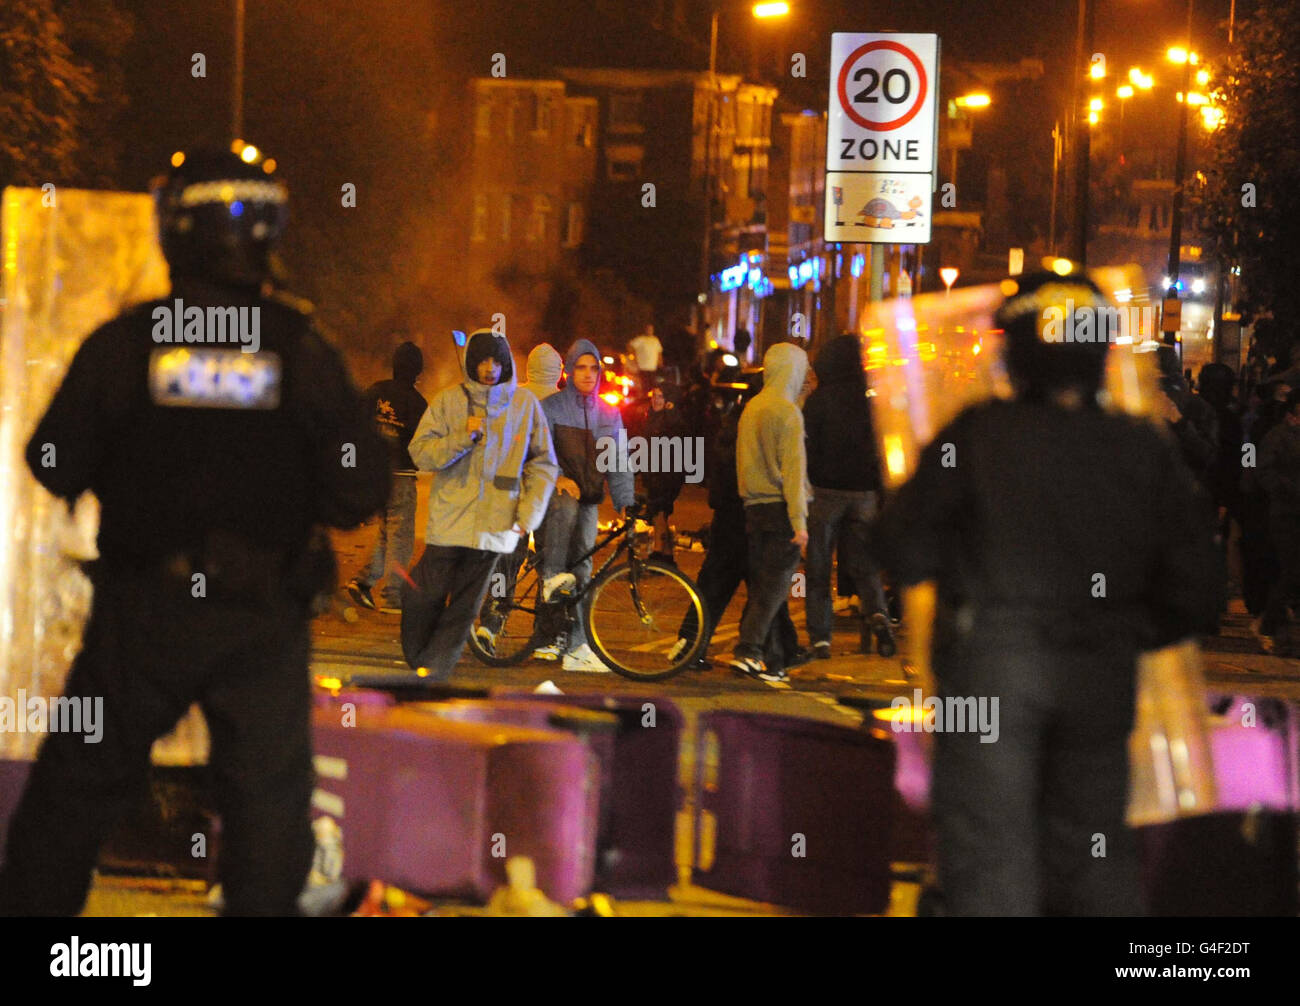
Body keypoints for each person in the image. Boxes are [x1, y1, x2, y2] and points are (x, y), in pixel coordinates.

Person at [0, 146, 391, 917]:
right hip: (263, 619)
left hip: (143, 614)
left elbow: (49, 459)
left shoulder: (127, 344)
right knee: (268, 805)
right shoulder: (301, 350)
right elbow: (359, 491)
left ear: (172, 229)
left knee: (72, 795)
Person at [873, 271, 1219, 916]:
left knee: (989, 850)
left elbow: (901, 547)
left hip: (990, 668)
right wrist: (1121, 632)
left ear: (1017, 351)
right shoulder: (1141, 447)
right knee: (1092, 847)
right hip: (1098, 673)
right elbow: (1197, 587)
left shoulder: (977, 435)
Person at [401, 328, 557, 678]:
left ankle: (432, 672)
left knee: (463, 609)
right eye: (482, 361)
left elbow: (543, 463)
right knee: (423, 595)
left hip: (494, 525)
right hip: (448, 523)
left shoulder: (524, 405)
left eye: (496, 361)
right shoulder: (448, 401)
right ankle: (418, 657)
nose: (490, 369)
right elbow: (420, 453)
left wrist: (528, 514)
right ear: (471, 363)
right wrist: (462, 438)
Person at [673, 377, 807, 674]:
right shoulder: (765, 417)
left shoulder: (740, 417)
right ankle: (767, 650)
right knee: (760, 583)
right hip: (746, 511)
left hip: (732, 511)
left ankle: (692, 644)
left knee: (753, 583)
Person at [535, 339, 635, 672]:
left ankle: (575, 641)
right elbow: (537, 453)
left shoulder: (609, 413)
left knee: (582, 572)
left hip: (590, 501)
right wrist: (558, 477)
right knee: (557, 566)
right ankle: (551, 637)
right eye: (581, 366)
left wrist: (626, 503)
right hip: (557, 499)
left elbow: (619, 461)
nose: (589, 374)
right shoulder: (550, 408)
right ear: (570, 370)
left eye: (594, 368)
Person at [802, 333, 895, 658]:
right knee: (865, 565)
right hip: (864, 493)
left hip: (826, 493)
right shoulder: (870, 400)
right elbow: (883, 449)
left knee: (819, 566)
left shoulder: (819, 400)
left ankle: (820, 638)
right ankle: (878, 616)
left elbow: (807, 447)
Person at [729, 342, 812, 682]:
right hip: (781, 509)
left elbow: (743, 462)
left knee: (766, 585)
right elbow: (793, 473)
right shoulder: (788, 413)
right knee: (774, 588)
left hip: (754, 508)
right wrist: (800, 522)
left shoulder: (752, 407)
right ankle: (748, 651)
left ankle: (778, 659)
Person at [347, 339, 428, 612]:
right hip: (402, 476)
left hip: (375, 474)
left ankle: (363, 581)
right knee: (401, 536)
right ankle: (393, 594)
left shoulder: (375, 392)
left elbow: (354, 427)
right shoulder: (418, 403)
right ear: (418, 372)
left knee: (386, 533)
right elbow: (423, 443)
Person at [1257, 387, 1300, 654]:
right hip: (1285, 512)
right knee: (1291, 570)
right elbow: (1261, 468)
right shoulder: (1278, 436)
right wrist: (1286, 489)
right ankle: (1269, 622)